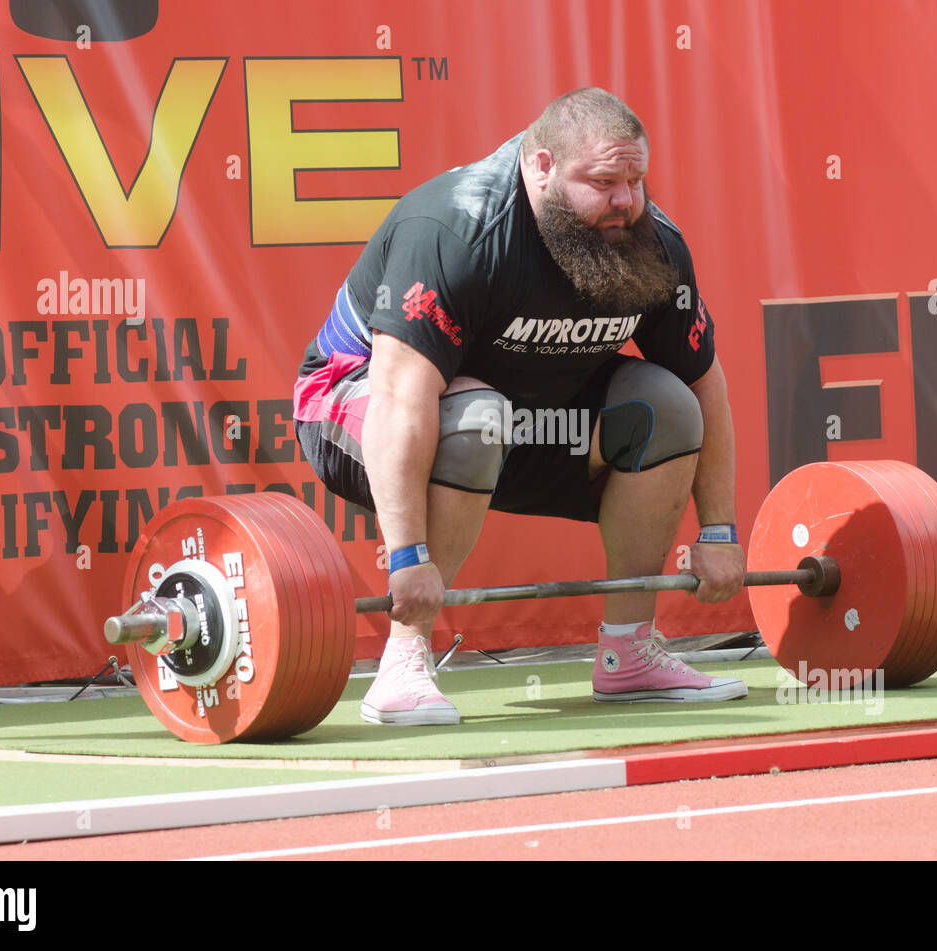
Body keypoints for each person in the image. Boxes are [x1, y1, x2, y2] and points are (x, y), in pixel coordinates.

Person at [294, 87, 748, 725]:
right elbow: (402, 397)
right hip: (358, 403)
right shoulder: (456, 228)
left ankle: (629, 654)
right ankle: (404, 659)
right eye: (603, 181)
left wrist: (721, 532)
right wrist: (406, 558)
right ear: (541, 167)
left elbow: (705, 385)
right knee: (477, 415)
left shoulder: (652, 246)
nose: (626, 200)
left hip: (519, 416)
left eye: (636, 179)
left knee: (664, 407)